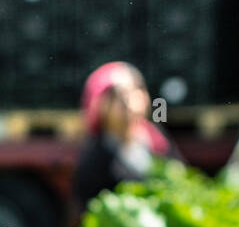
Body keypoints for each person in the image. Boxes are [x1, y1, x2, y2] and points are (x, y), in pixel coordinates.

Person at [72, 61, 175, 214]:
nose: (126, 102)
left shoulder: (156, 141)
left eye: (132, 92)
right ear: (99, 106)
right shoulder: (95, 159)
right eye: (116, 96)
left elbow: (178, 178)